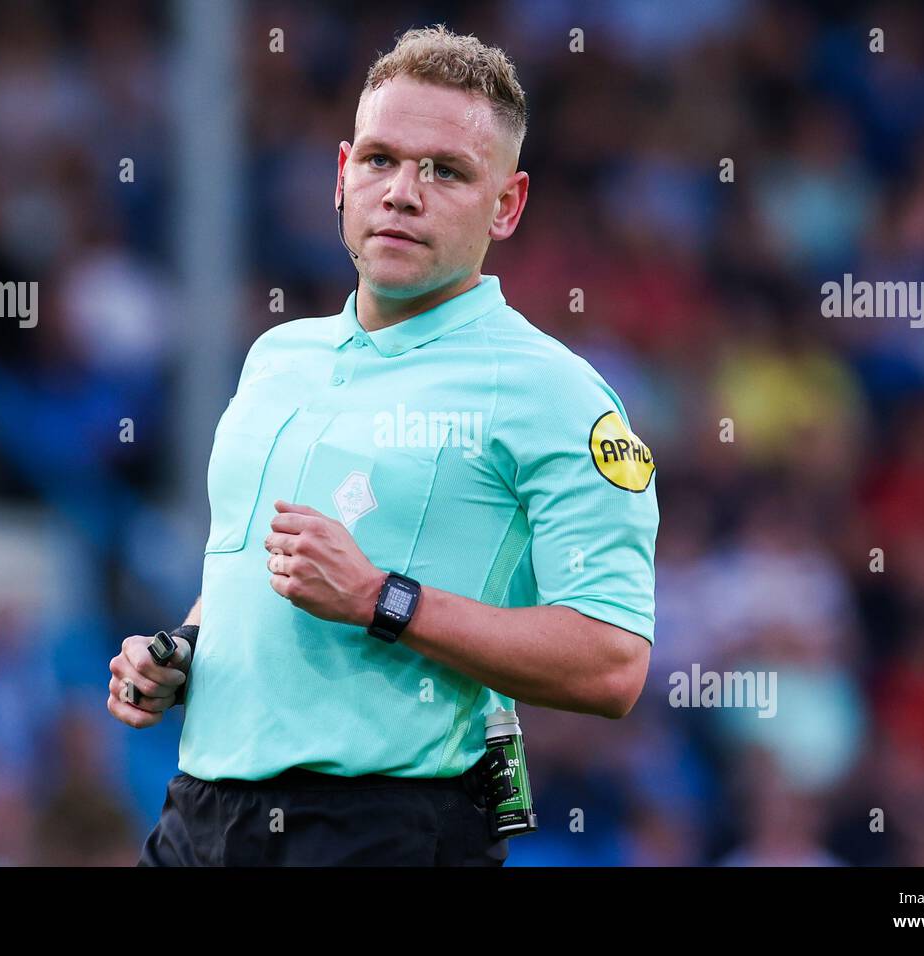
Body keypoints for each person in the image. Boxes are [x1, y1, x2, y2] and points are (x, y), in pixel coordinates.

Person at [109, 24, 659, 866]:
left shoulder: (556, 393)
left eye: (444, 171)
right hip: (198, 814)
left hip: (386, 828)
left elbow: (613, 664)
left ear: (506, 205)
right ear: (341, 175)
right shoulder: (276, 357)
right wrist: (179, 652)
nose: (403, 191)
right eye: (380, 160)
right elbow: (247, 581)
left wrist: (381, 600)